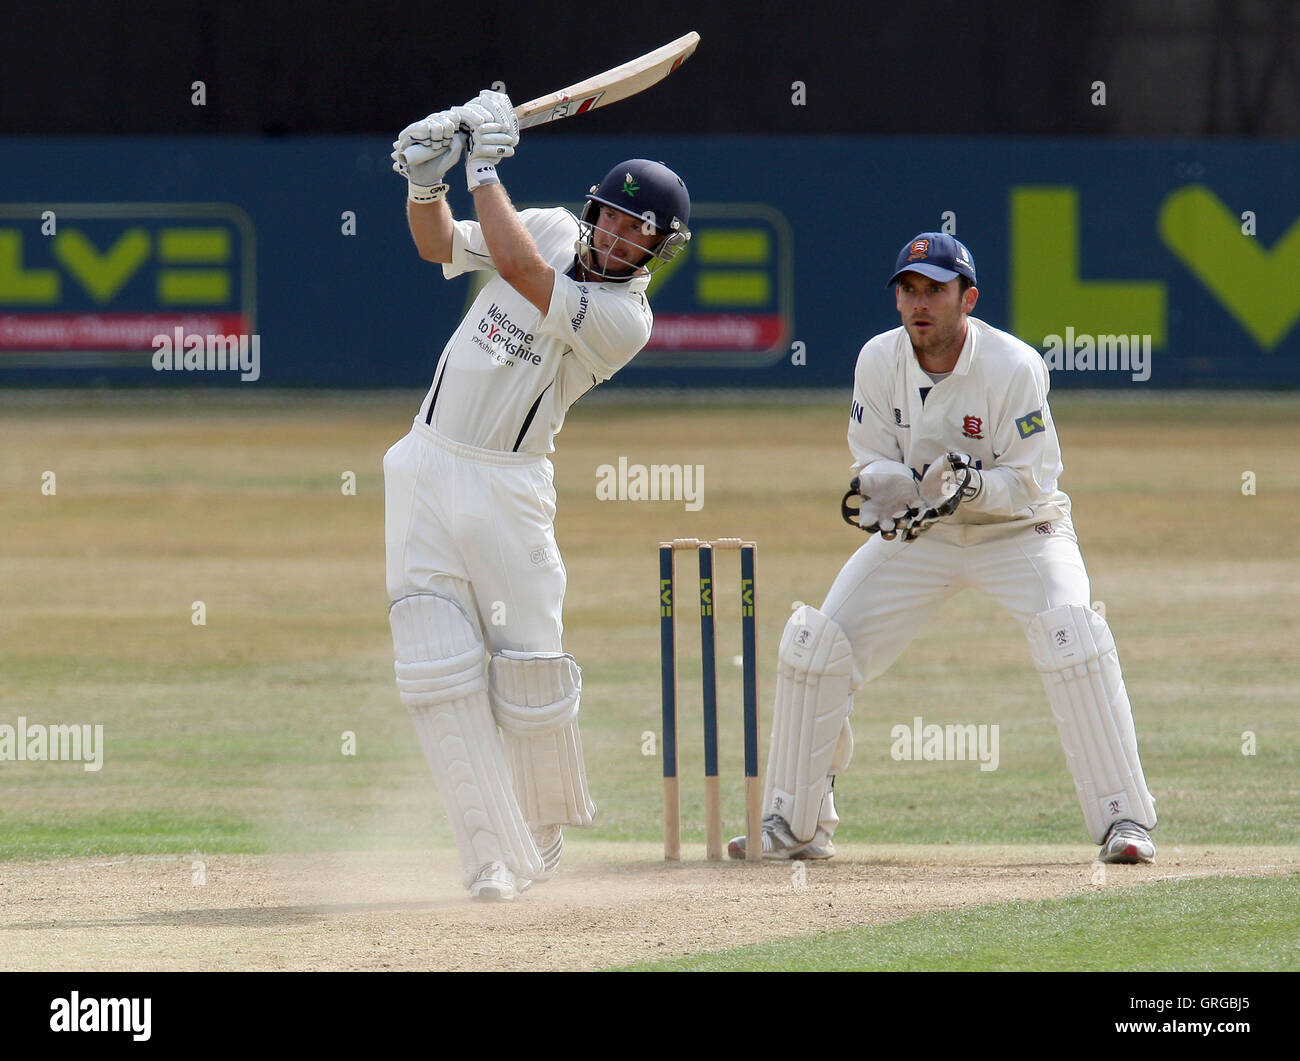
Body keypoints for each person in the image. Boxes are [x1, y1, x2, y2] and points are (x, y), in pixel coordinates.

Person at [729, 232, 1158, 866]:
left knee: (1074, 637)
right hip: (924, 533)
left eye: (935, 289)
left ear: (968, 298)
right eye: (908, 289)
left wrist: (970, 486)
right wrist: (882, 481)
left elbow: (1033, 481)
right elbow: (871, 451)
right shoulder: (878, 358)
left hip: (1021, 531)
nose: (919, 303)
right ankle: (795, 824)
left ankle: (1125, 821)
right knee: (817, 645)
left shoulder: (1014, 367)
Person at [383, 90, 690, 900]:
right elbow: (440, 245)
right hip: (424, 456)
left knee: (526, 673)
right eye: (613, 220)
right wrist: (426, 182)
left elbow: (522, 272)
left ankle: (541, 831)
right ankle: (488, 854)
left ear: (658, 250)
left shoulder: (625, 317)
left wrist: (482, 163)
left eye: (639, 233)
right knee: (430, 657)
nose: (619, 237)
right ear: (592, 210)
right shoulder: (551, 224)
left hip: (508, 486)